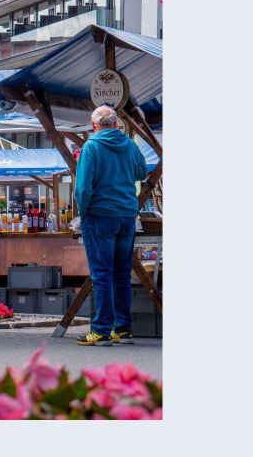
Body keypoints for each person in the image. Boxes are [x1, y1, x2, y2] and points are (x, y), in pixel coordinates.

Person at [74, 105, 148, 347]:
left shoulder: (91, 147)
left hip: (99, 215)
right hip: (127, 215)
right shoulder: (129, 145)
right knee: (121, 273)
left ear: (93, 125)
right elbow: (141, 173)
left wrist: (84, 213)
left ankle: (101, 331)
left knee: (102, 273)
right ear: (116, 125)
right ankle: (123, 330)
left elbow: (83, 188)